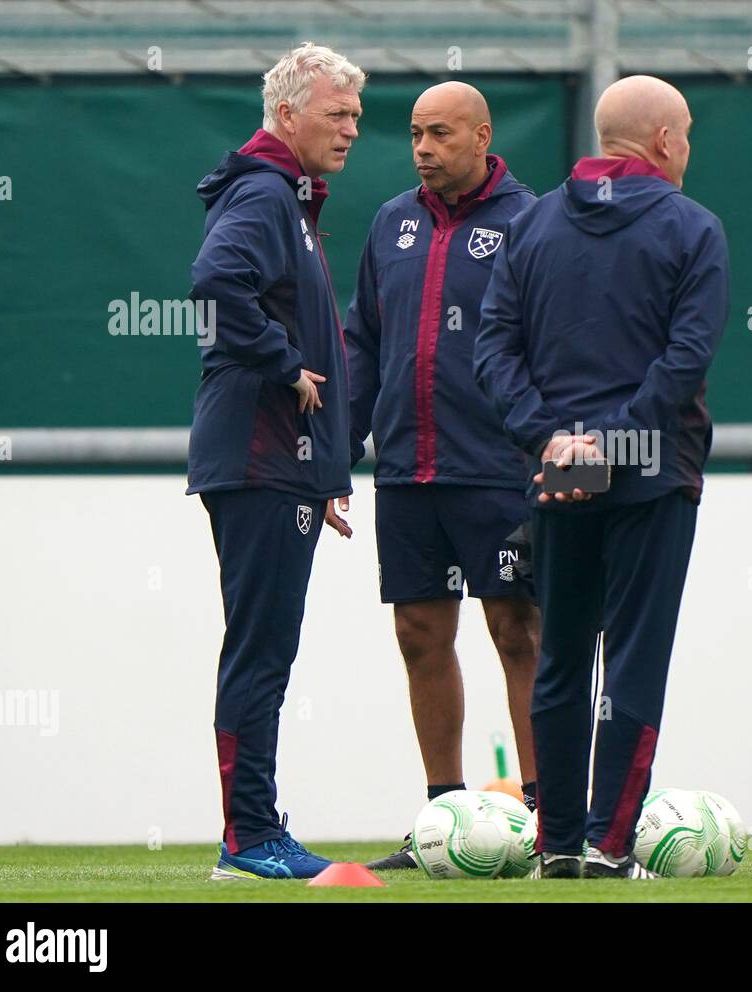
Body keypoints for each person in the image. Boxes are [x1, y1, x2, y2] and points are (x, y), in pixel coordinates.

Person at [474, 74, 730, 879]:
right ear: (662, 140)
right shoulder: (694, 228)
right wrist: (612, 446)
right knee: (634, 664)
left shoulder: (531, 222)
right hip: (654, 478)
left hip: (555, 478)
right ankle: (610, 846)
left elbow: (493, 352)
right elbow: (684, 360)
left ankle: (555, 848)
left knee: (560, 664)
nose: (687, 146)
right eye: (685, 132)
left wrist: (557, 442)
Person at [337, 82, 541, 871]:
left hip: (499, 467)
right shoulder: (393, 222)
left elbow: (555, 347)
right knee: (420, 634)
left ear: (484, 136)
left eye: (441, 134)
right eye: (417, 134)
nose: (423, 148)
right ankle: (442, 820)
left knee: (517, 632)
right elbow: (361, 339)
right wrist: (338, 447)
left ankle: (544, 812)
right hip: (408, 467)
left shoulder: (531, 221)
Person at [186, 42, 365, 880]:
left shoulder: (283, 199)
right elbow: (216, 286)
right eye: (338, 113)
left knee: (264, 650)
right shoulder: (263, 195)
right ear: (287, 114)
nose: (352, 129)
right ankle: (250, 837)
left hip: (279, 466)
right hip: (256, 462)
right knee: (260, 651)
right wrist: (283, 363)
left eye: (358, 117)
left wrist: (321, 469)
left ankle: (252, 830)